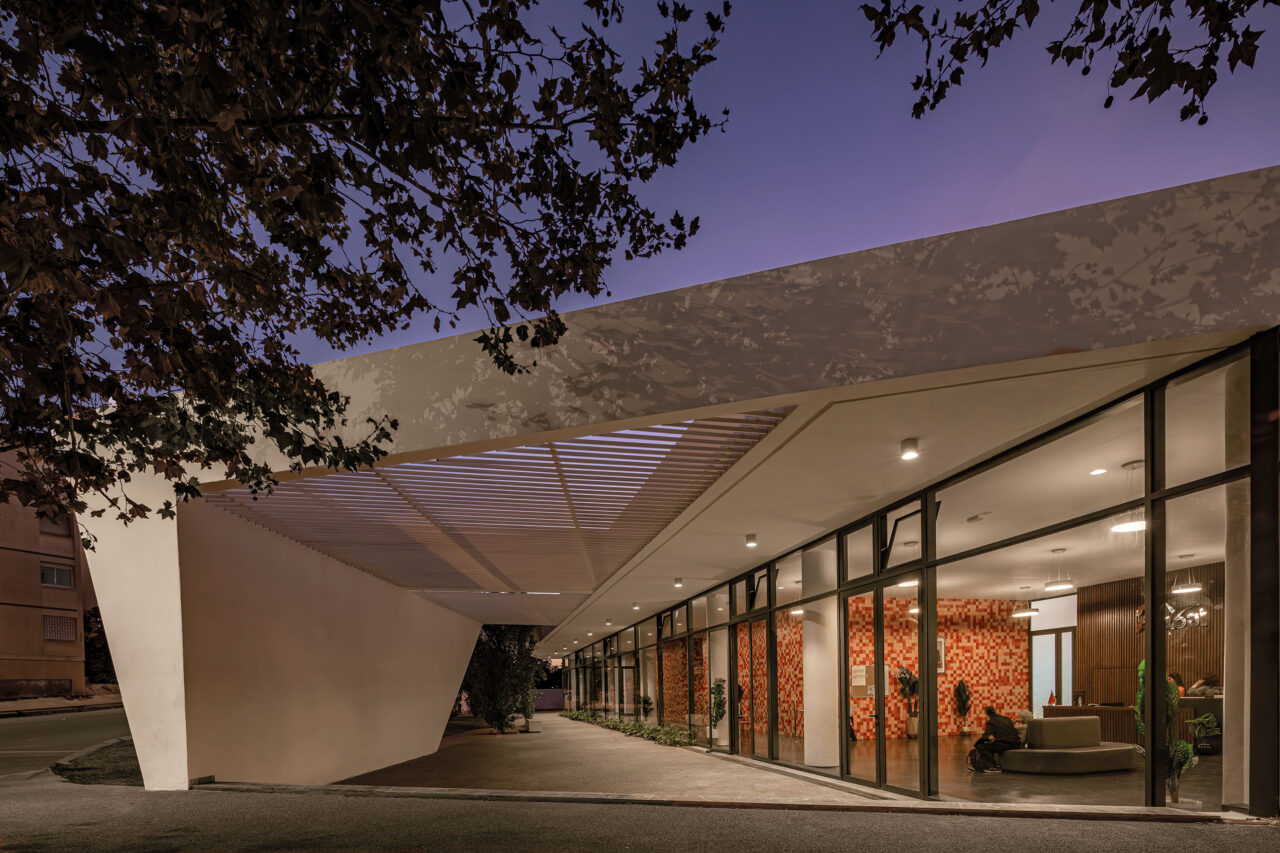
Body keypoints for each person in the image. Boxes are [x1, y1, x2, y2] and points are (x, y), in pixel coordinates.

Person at [970, 706, 1021, 773]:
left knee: (982, 747)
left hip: (1006, 744)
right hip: (1017, 743)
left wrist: (977, 744)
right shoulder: (1006, 718)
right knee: (993, 745)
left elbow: (985, 737)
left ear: (987, 713)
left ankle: (992, 766)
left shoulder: (991, 722)